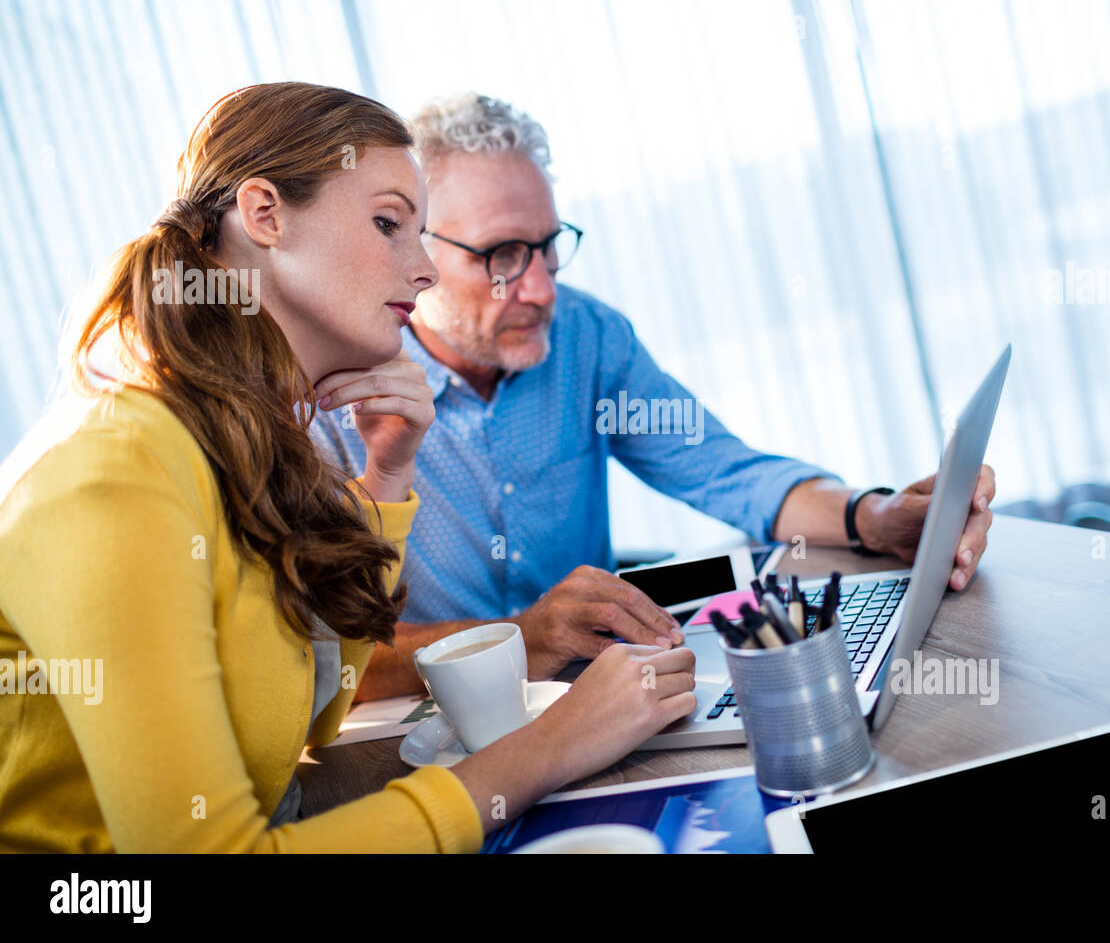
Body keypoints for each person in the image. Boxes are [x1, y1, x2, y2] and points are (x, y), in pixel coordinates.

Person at [0, 82, 695, 853]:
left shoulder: (240, 439)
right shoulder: (117, 473)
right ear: (265, 215)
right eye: (389, 223)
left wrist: (385, 477)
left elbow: (314, 710)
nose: (424, 271)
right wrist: (554, 745)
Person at [309, 93, 997, 701]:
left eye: (548, 247)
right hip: (418, 739)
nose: (543, 289)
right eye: (502, 256)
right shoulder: (333, 403)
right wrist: (522, 637)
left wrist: (871, 517)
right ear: (415, 253)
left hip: (597, 701)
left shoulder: (586, 337)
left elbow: (729, 473)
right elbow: (336, 666)